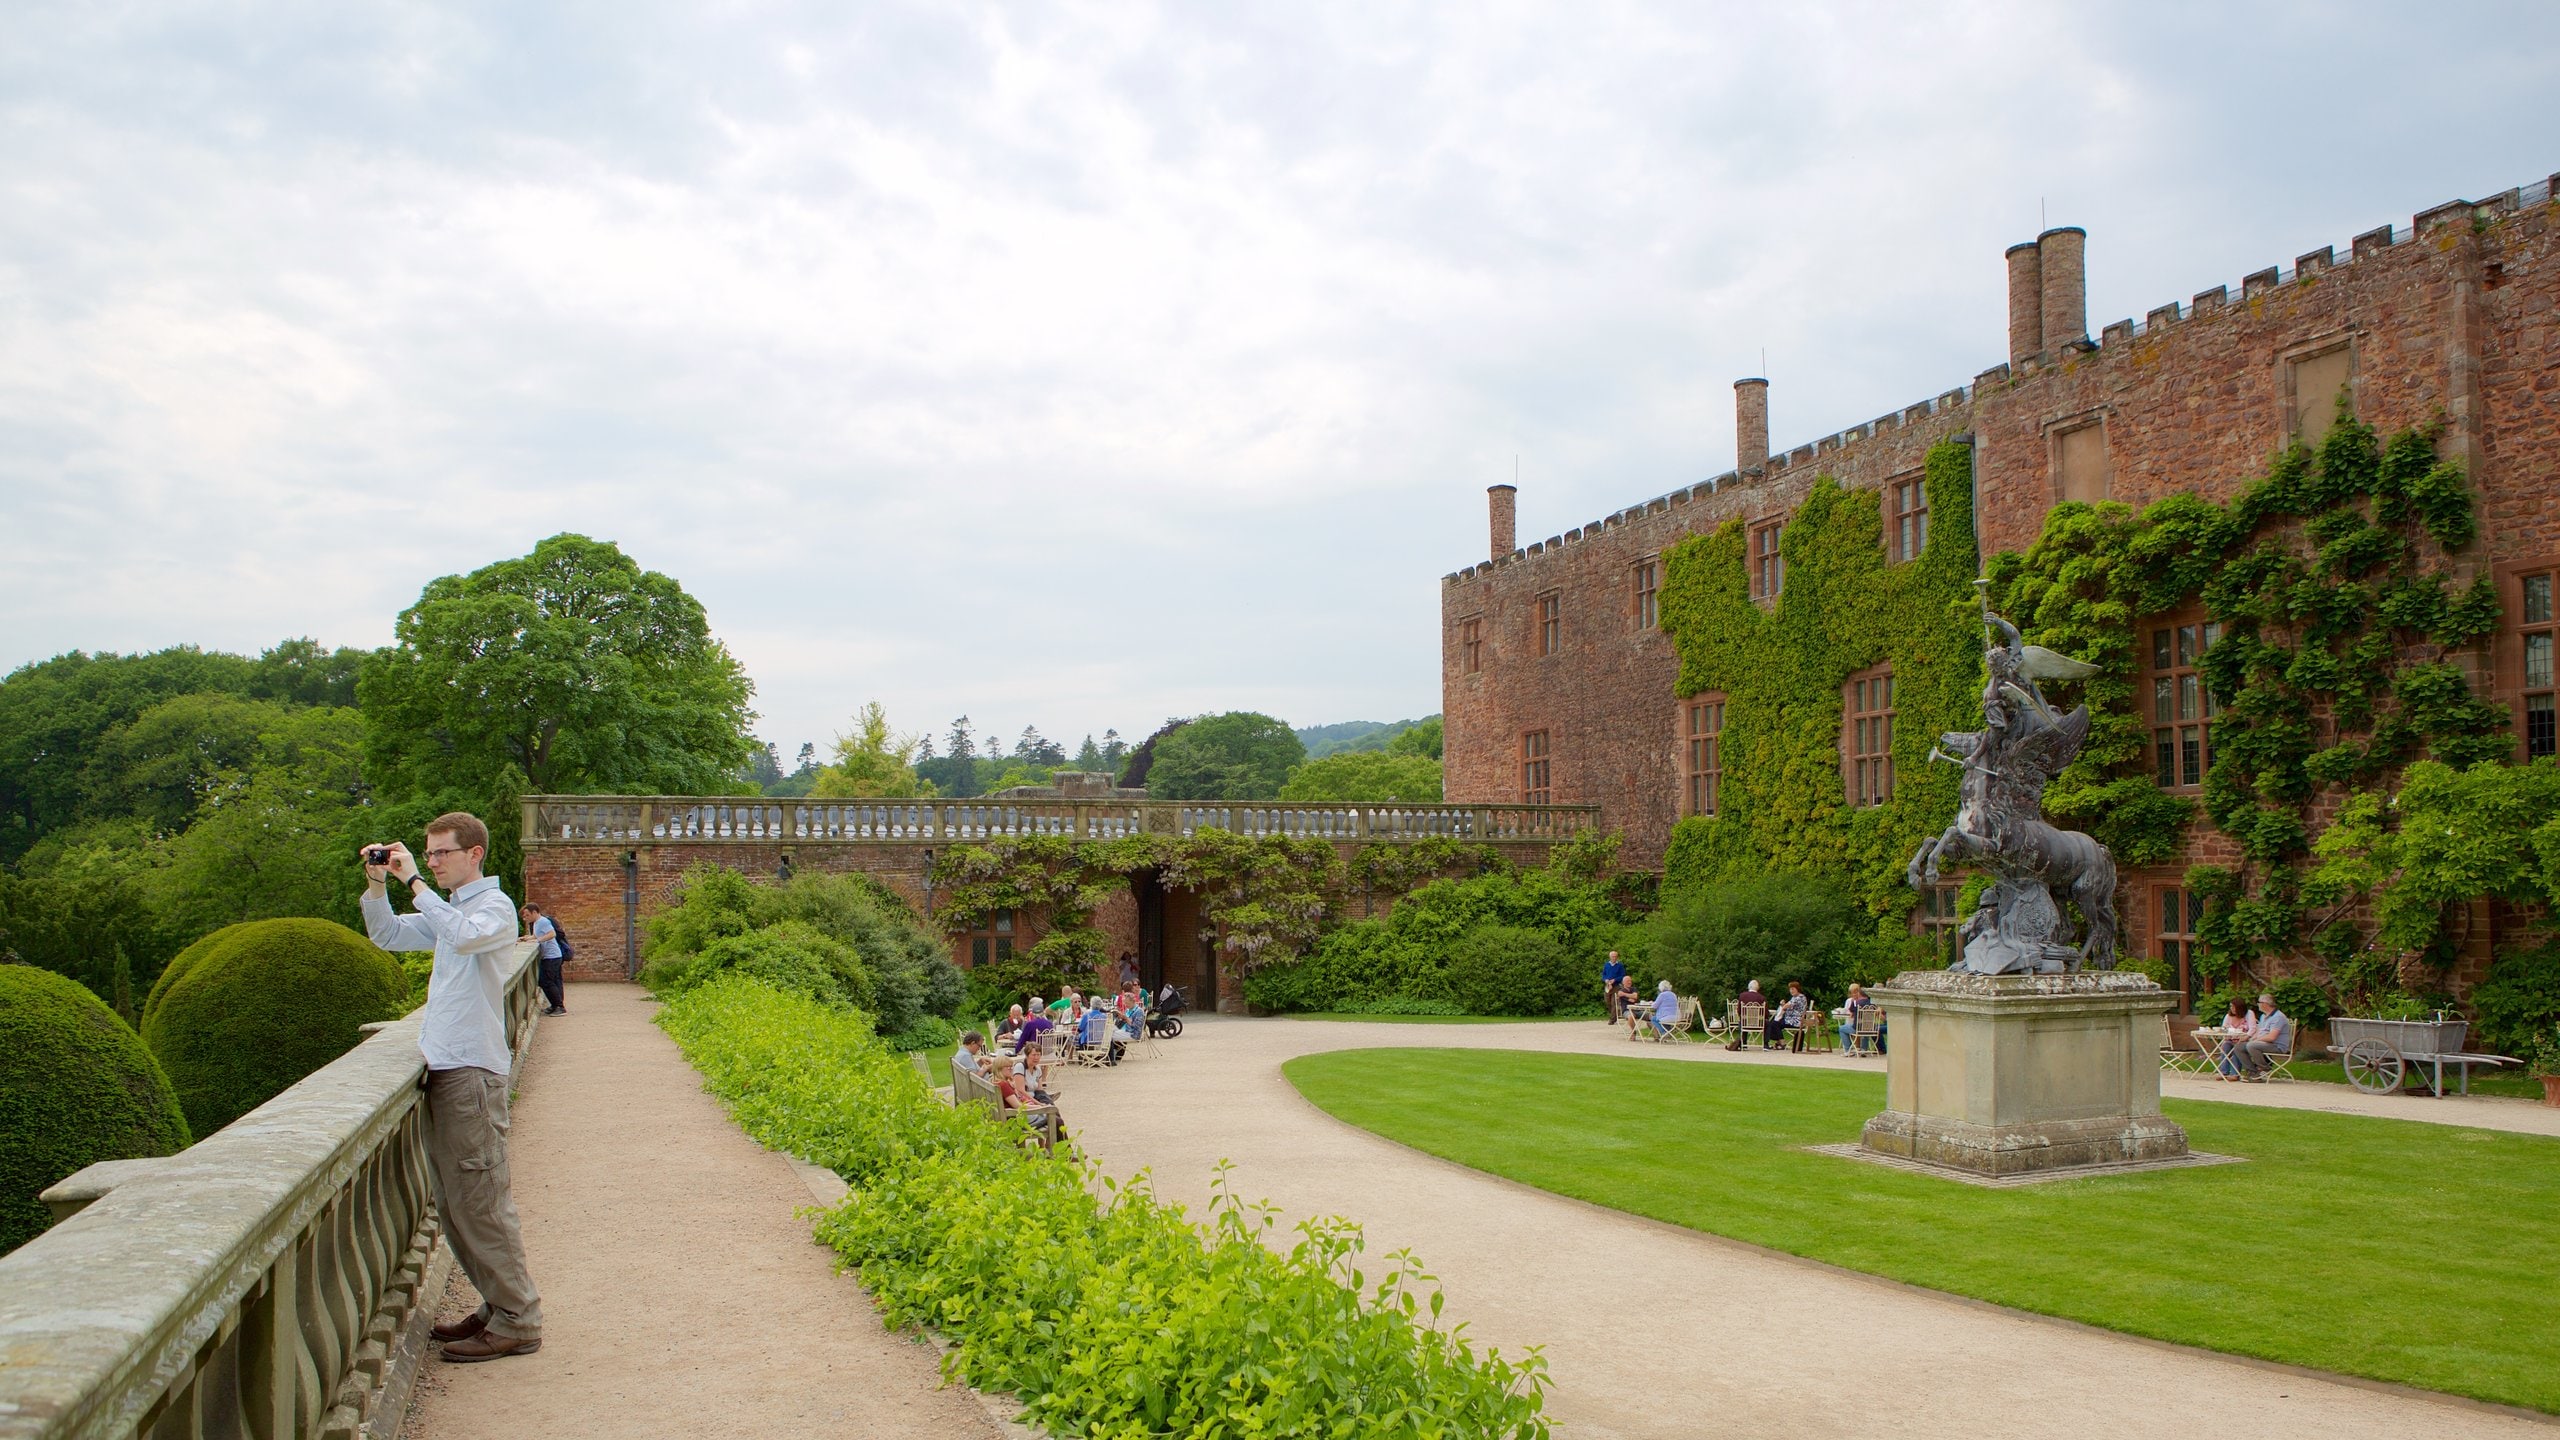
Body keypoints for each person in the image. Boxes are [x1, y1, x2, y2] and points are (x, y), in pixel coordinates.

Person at [359, 814, 542, 1363]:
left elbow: (463, 938)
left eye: (442, 853)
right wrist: (377, 884)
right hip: (447, 1067)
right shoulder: (453, 909)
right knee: (454, 1200)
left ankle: (519, 1319)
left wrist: (414, 882)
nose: (432, 862)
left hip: (472, 1071)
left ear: (475, 854)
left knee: (481, 1201)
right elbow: (387, 936)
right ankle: (497, 1306)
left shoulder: (495, 908)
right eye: (428, 854)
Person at [2228, 993, 2291, 1081]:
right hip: (2264, 1043)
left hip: (2277, 1045)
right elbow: (2260, 1032)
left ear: (2265, 1004)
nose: (2258, 1005)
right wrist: (2252, 1038)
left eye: (2259, 1003)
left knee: (2252, 1045)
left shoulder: (2278, 1017)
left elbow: (2272, 1037)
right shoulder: (2264, 1016)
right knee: (2239, 1046)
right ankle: (2252, 1072)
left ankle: (2264, 1068)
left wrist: (2256, 1040)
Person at [521, 903, 566, 1017]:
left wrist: (537, 940)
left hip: (552, 956)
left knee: (547, 981)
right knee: (545, 981)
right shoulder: (537, 923)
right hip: (549, 956)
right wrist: (526, 939)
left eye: (527, 915)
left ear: (534, 912)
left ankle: (559, 1006)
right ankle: (555, 1005)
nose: (525, 918)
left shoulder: (543, 921)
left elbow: (552, 934)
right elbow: (536, 936)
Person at [2213, 995, 2257, 1077]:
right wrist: (2226, 1035)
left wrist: (2246, 1037)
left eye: (2233, 1007)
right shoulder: (2228, 1016)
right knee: (2225, 1046)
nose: (2232, 1009)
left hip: (2245, 1040)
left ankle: (2235, 1073)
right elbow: (2224, 1028)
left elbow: (2253, 1028)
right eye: (2231, 1006)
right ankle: (2223, 1071)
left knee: (2237, 1047)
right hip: (2231, 1039)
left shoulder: (2249, 1014)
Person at [1770, 981, 1810, 1051]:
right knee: (1774, 1023)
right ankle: (1779, 1042)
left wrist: (1783, 1005)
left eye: (1793, 989)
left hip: (1796, 1021)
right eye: (1790, 989)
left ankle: (1782, 1043)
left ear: (1797, 989)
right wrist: (1784, 1005)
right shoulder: (1795, 997)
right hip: (1792, 1019)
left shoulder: (1799, 997)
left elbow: (1786, 1006)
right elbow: (1788, 1006)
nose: (1791, 991)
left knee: (1774, 1023)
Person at [1839, 984, 1877, 1057]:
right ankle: (1863, 1050)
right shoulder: (1872, 1003)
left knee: (1841, 1028)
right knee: (1865, 1028)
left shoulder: (1856, 1003)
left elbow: (1851, 1014)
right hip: (1870, 1028)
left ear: (1859, 993)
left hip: (1857, 1028)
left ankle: (1848, 1050)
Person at [1601, 949, 1629, 1021]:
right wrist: (1605, 980)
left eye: (1615, 956)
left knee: (1614, 1002)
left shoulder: (1620, 965)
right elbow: (1603, 974)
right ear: (1610, 957)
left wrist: (1614, 980)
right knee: (1607, 1001)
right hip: (1608, 986)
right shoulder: (1606, 965)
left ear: (1617, 957)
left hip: (1616, 986)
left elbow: (1622, 976)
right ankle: (1614, 1015)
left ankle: (1612, 1019)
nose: (1614, 958)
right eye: (1613, 956)